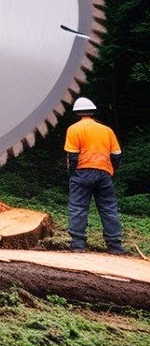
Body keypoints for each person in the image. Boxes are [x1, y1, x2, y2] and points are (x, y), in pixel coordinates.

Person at [64, 96, 124, 254]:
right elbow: (116, 155)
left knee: (77, 208)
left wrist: (73, 173)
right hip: (104, 173)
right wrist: (111, 171)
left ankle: (78, 244)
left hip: (82, 172)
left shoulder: (74, 129)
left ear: (76, 112)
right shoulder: (107, 130)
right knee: (109, 209)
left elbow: (73, 156)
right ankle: (115, 246)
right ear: (92, 111)